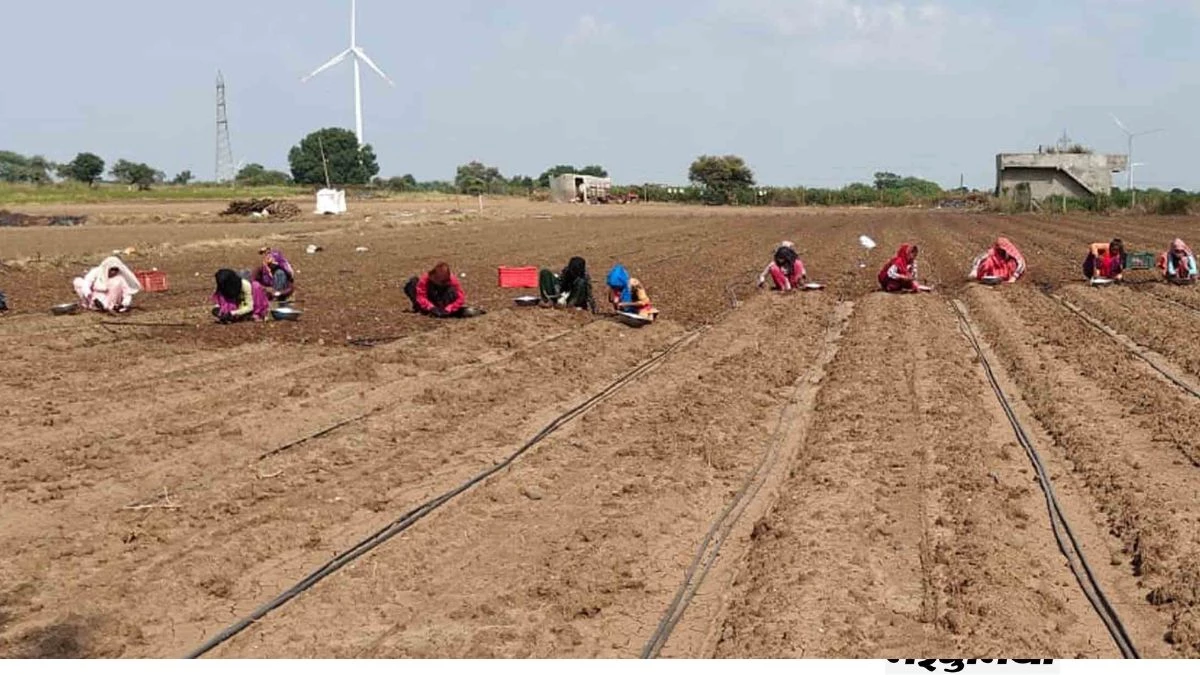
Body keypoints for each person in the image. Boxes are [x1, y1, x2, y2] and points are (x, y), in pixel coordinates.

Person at [73, 256, 141, 313]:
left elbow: (127, 293)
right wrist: (89, 295)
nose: (113, 272)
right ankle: (88, 304)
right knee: (78, 281)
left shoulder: (120, 279)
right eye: (112, 269)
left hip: (110, 301)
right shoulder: (97, 271)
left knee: (116, 283)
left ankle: (108, 307)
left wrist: (124, 304)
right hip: (93, 298)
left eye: (116, 270)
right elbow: (87, 282)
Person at [404, 262, 469, 318]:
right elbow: (421, 296)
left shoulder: (452, 281)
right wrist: (431, 307)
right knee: (412, 283)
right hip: (430, 301)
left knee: (452, 290)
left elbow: (461, 298)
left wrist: (449, 308)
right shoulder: (425, 279)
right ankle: (422, 309)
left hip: (444, 301)